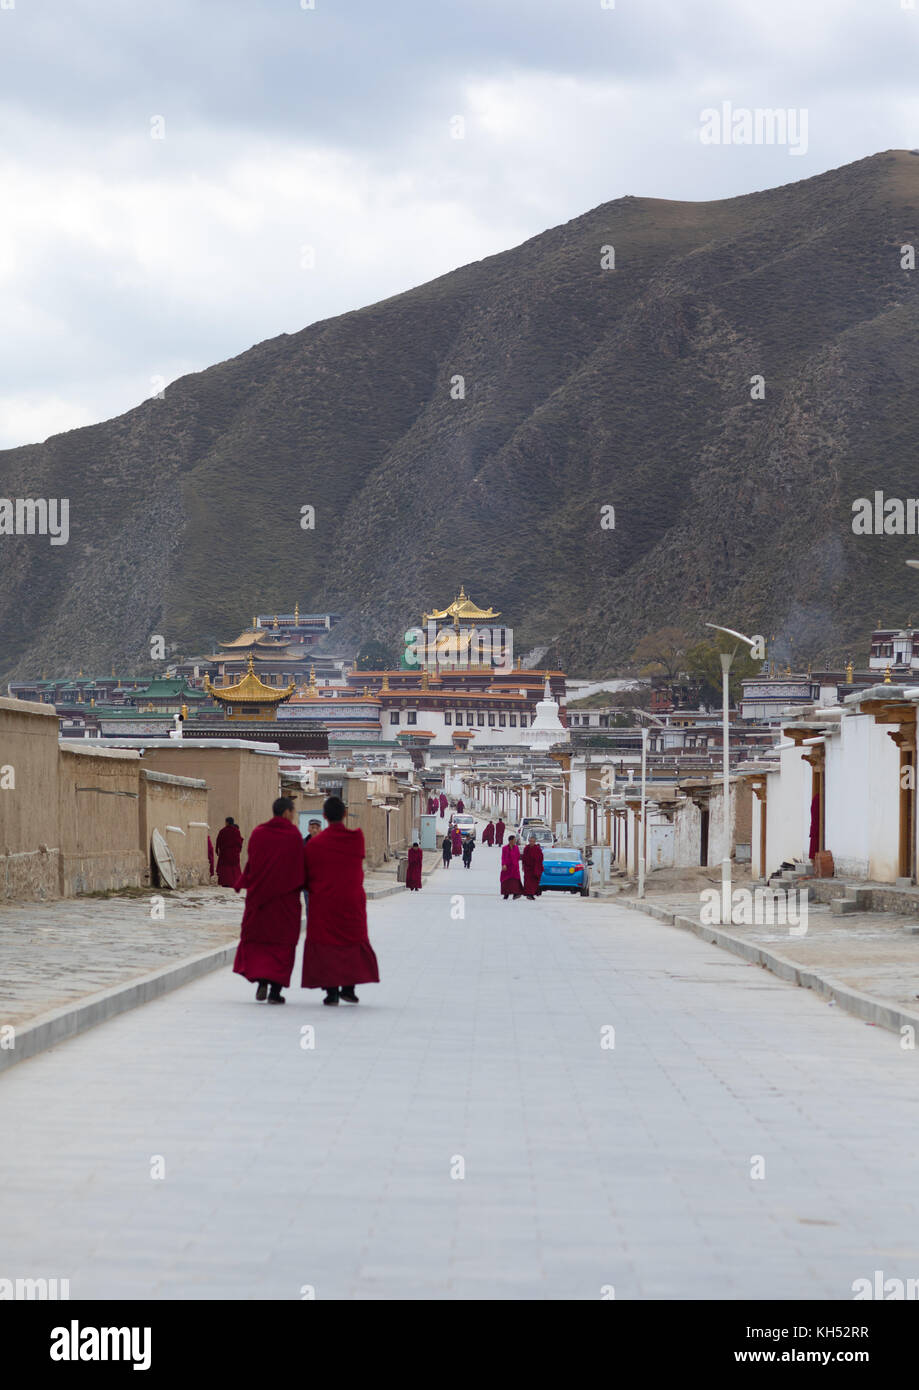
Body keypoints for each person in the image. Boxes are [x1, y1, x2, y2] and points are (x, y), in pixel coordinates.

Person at [302, 795, 380, 1006]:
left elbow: (307, 874)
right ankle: (349, 988)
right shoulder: (357, 838)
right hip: (351, 901)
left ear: (324, 816)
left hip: (324, 903)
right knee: (351, 943)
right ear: (345, 814)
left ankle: (331, 992)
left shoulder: (315, 843)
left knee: (327, 946)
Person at [233, 797, 304, 1004]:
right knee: (282, 946)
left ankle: (262, 981)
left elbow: (252, 865)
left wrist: (243, 881)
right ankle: (275, 991)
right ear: (286, 813)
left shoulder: (258, 833)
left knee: (260, 944)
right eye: (293, 812)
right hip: (285, 902)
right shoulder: (293, 836)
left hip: (260, 901)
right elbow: (299, 869)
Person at [215, 816, 243, 886]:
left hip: (225, 853)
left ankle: (225, 883)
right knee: (234, 869)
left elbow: (218, 841)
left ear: (227, 822)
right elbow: (239, 842)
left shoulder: (222, 831)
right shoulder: (237, 831)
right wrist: (238, 851)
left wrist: (217, 850)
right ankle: (235, 882)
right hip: (234, 854)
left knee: (225, 869)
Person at [500, 835, 523, 899]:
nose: (515, 841)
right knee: (506, 880)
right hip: (507, 867)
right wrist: (504, 864)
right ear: (510, 841)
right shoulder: (504, 848)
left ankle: (515, 894)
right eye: (514, 840)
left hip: (514, 867)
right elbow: (503, 857)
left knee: (515, 881)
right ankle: (506, 894)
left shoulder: (516, 848)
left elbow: (518, 856)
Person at [522, 834, 545, 900]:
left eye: (533, 841)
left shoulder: (537, 849)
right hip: (528, 868)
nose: (531, 842)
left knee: (534, 882)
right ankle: (529, 894)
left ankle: (531, 894)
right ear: (529, 841)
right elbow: (524, 858)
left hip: (535, 868)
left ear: (535, 842)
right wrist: (523, 866)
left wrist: (539, 867)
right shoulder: (526, 848)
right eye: (530, 841)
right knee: (528, 882)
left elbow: (541, 858)